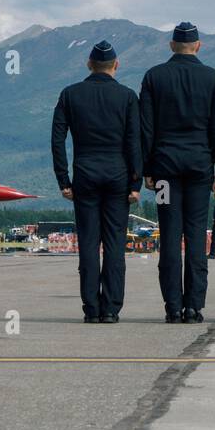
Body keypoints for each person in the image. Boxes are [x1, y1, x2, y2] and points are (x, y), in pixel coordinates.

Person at [140, 22, 215, 324]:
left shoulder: (154, 77)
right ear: (199, 46)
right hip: (199, 169)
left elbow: (146, 128)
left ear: (171, 46)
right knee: (195, 234)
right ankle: (195, 306)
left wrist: (147, 168)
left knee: (169, 234)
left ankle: (172, 306)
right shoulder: (214, 79)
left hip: (164, 170)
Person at [51, 40, 142, 323]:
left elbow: (57, 139)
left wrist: (64, 180)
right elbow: (134, 142)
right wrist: (135, 184)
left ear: (89, 65)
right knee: (115, 245)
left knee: (89, 244)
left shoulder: (70, 94)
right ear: (116, 65)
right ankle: (111, 309)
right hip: (118, 175)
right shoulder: (127, 97)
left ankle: (91, 308)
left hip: (85, 174)